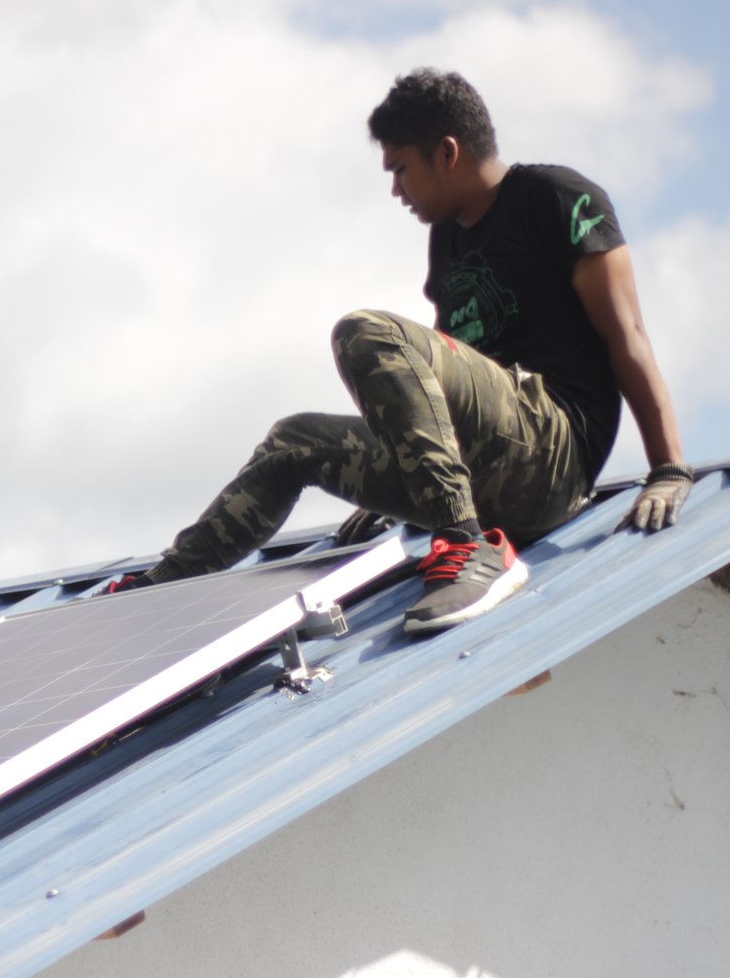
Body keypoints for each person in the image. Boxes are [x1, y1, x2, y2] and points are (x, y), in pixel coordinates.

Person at [116, 69, 688, 633]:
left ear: (447, 153)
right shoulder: (448, 238)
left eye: (400, 169)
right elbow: (439, 377)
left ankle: (467, 546)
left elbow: (628, 335)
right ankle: (160, 593)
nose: (396, 190)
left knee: (366, 331)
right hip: (483, 468)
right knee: (291, 441)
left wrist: (667, 468)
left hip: (550, 457)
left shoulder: (557, 198)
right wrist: (408, 463)